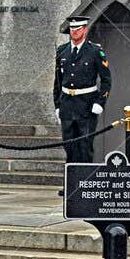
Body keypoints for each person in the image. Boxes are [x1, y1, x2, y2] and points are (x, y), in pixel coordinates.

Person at [53, 16, 110, 163]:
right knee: (69, 145)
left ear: (84, 30)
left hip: (86, 105)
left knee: (85, 146)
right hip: (67, 104)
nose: (74, 32)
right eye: (72, 29)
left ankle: (83, 183)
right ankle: (70, 184)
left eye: (78, 29)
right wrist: (58, 105)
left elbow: (106, 80)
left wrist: (100, 102)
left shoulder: (95, 51)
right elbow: (58, 81)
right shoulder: (62, 51)